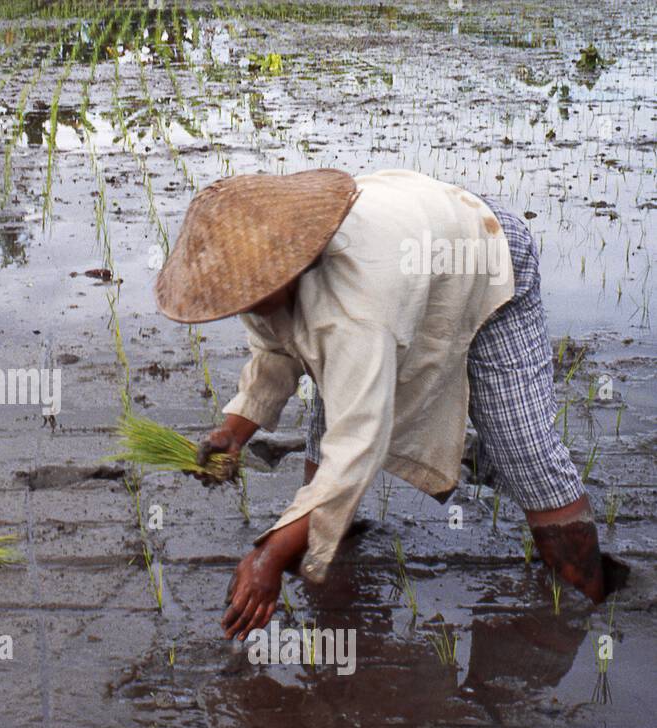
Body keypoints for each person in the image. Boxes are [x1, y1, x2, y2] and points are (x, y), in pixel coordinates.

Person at [152, 168, 616, 641]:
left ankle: (585, 602)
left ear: (290, 264)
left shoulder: (356, 311)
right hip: (414, 250)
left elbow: (358, 446)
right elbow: (276, 349)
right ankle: (330, 571)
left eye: (250, 295)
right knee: (329, 434)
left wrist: (269, 555)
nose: (243, 307)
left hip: (486, 255)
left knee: (523, 449)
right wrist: (235, 431)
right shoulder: (265, 282)